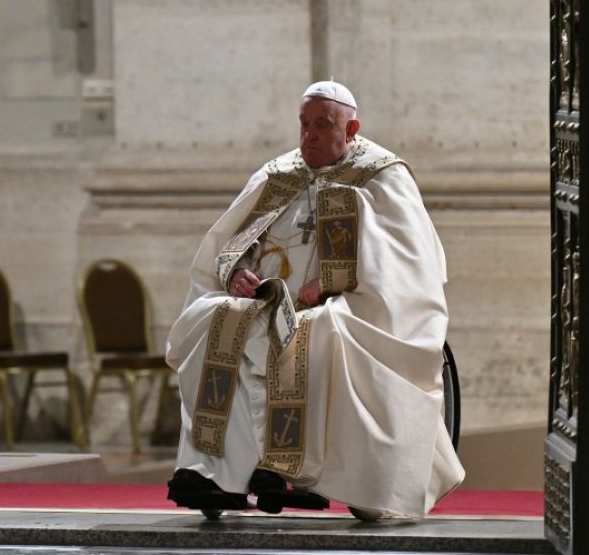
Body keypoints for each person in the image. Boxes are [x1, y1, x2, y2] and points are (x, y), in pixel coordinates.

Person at [165, 81, 464, 519]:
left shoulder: (382, 175)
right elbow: (229, 243)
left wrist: (332, 282)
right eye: (304, 124)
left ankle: (286, 469)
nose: (308, 136)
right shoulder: (279, 173)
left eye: (322, 125)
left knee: (313, 332)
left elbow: (407, 263)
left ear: (351, 128)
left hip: (347, 306)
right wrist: (237, 274)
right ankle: (215, 474)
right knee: (212, 318)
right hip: (264, 303)